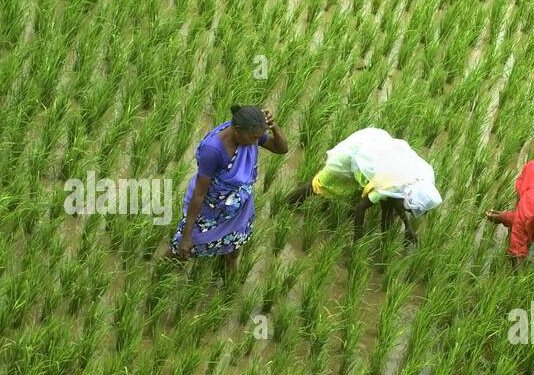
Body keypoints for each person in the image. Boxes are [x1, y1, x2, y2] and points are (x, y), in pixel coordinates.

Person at [170, 105, 289, 274]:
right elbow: (199, 193)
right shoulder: (213, 151)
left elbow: (281, 149)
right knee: (184, 247)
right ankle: (166, 265)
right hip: (211, 208)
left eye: (259, 137)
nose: (257, 141)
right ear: (237, 130)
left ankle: (230, 264)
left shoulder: (250, 134)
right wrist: (187, 236)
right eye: (254, 137)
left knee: (236, 243)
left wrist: (273, 126)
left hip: (239, 205)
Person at [285, 127, 440, 247]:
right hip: (354, 153)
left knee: (388, 207)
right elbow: (361, 207)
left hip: (376, 155)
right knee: (319, 184)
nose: (407, 212)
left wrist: (408, 227)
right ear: (408, 196)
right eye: (409, 209)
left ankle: (384, 245)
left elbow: (395, 203)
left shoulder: (414, 182)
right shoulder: (390, 185)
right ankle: (287, 204)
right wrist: (358, 237)